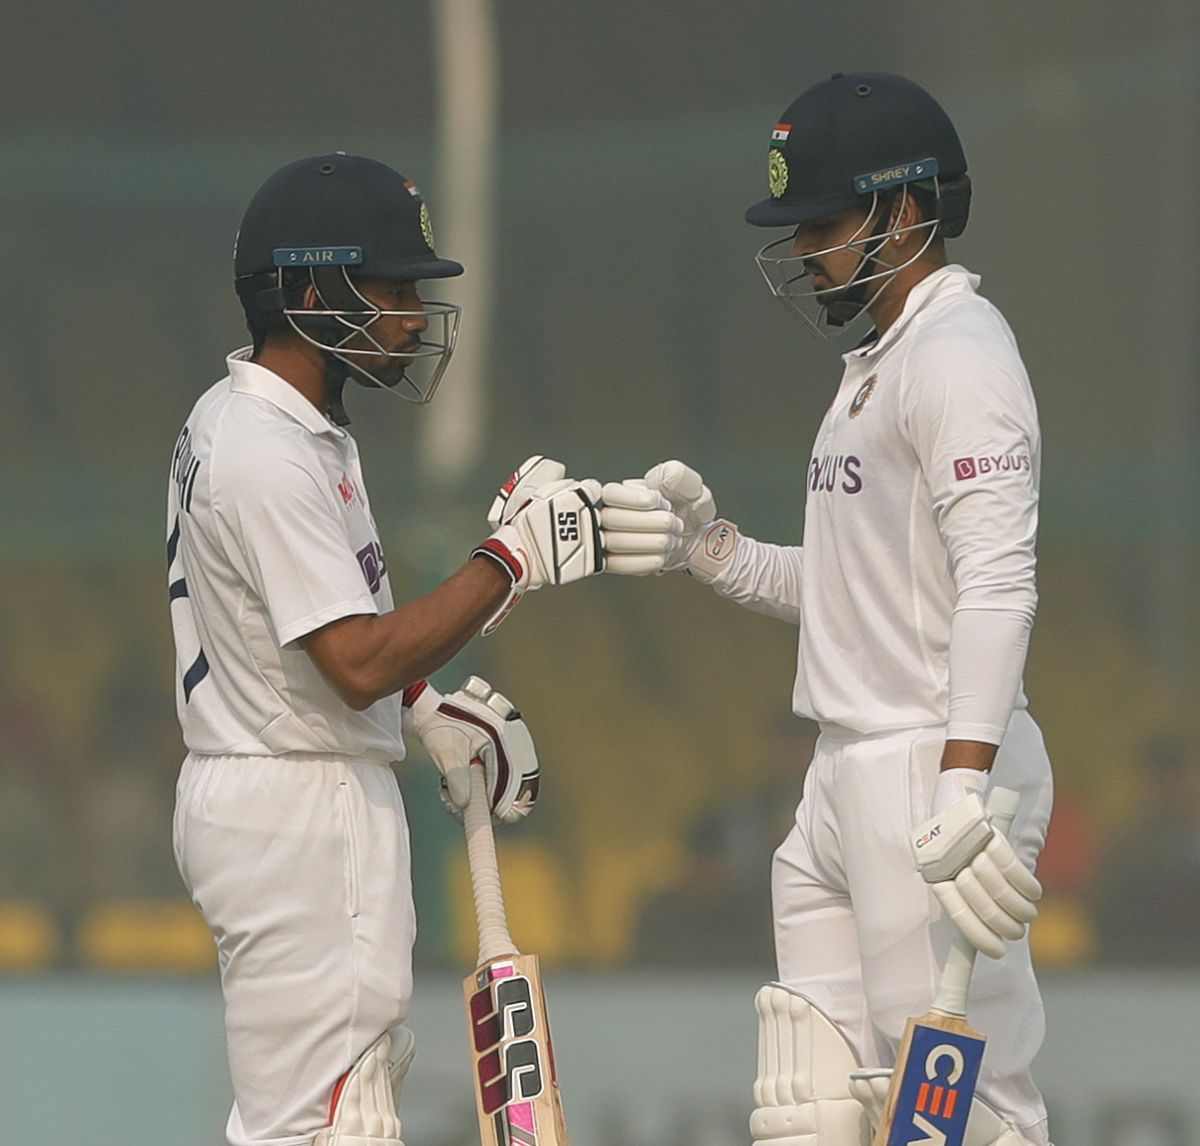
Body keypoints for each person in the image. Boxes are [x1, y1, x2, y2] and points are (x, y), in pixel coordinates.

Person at [166, 153, 665, 1146]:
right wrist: (512, 558)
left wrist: (422, 705)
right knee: (328, 1129)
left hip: (278, 791)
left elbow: (307, 641)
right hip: (301, 814)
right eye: (389, 288)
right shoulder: (265, 452)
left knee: (315, 1120)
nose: (409, 313)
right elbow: (354, 660)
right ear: (308, 291)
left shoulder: (269, 424)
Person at [600, 74, 1053, 1145]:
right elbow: (853, 587)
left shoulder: (959, 355)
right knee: (816, 1107)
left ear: (905, 210)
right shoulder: (877, 363)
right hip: (841, 776)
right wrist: (709, 551)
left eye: (824, 223)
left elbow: (999, 578)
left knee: (959, 1115)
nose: (806, 250)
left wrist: (962, 785)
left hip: (926, 773)